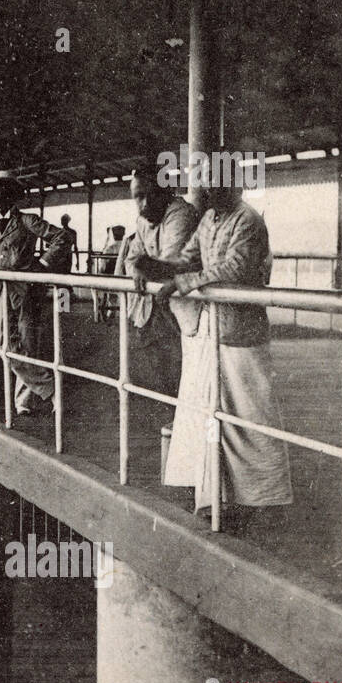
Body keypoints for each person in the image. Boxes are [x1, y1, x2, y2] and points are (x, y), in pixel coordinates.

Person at [133, 182, 294, 523]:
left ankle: (264, 496)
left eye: (216, 187)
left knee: (249, 414)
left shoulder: (247, 220)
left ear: (234, 187)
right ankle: (216, 494)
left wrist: (184, 282)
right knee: (208, 409)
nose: (208, 194)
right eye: (206, 188)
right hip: (210, 328)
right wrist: (153, 267)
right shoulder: (209, 219)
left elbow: (235, 269)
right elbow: (186, 258)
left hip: (240, 331)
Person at [0, 170, 72, 415]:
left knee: (28, 346)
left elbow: (61, 237)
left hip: (27, 291)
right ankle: (52, 390)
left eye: (3, 189)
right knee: (6, 347)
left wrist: (42, 265)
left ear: (12, 194)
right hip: (0, 290)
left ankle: (24, 402)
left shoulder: (27, 220)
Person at [122, 167, 200, 397]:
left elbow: (169, 264)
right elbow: (131, 259)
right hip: (155, 309)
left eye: (149, 194)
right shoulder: (143, 220)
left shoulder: (180, 213)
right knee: (163, 371)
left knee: (184, 373)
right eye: (137, 196)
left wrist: (141, 266)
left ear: (165, 192)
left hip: (183, 310)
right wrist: (137, 267)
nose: (143, 203)